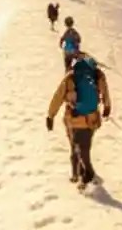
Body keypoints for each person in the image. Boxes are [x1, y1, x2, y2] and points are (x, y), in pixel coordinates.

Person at [45, 53, 112, 189]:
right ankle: (81, 174)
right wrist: (107, 106)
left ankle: (84, 174)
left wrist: (50, 116)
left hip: (74, 119)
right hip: (92, 118)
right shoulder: (97, 74)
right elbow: (105, 91)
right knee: (84, 146)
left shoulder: (70, 77)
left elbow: (58, 97)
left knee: (77, 147)